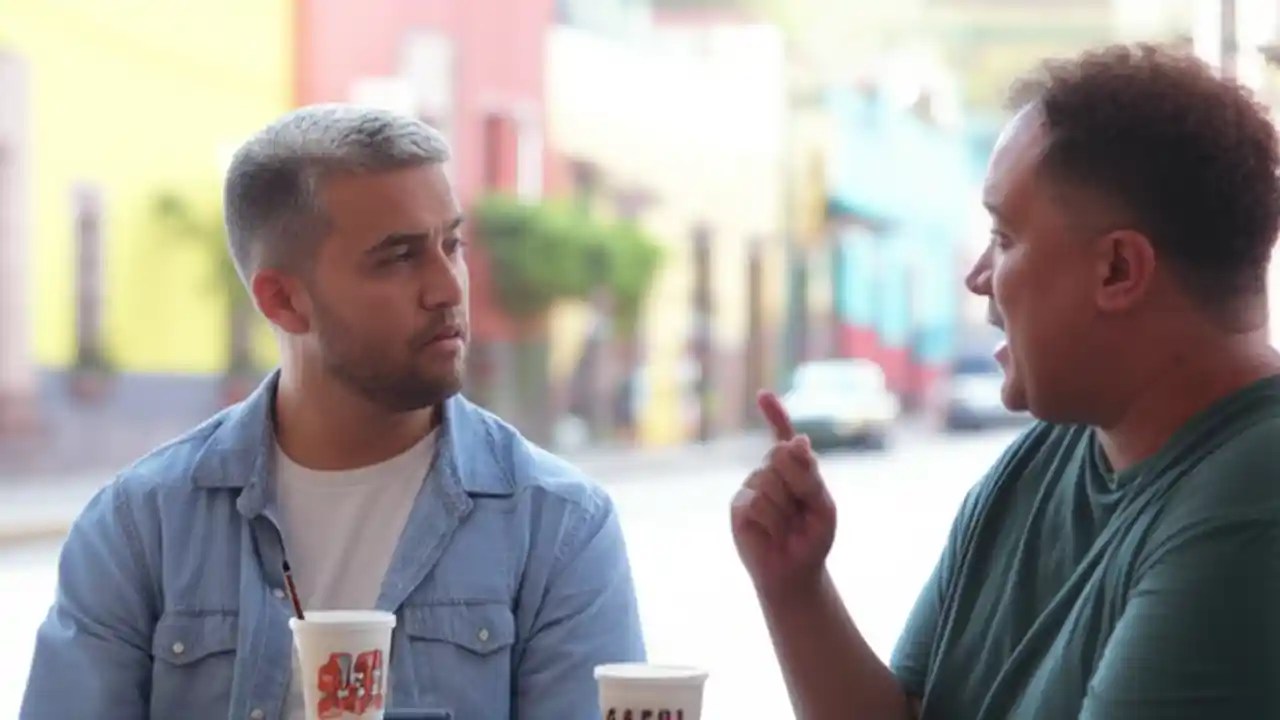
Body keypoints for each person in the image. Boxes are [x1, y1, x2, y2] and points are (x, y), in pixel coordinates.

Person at [21, 104, 646, 720]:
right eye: (399, 256)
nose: (449, 286)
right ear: (285, 300)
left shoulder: (557, 525)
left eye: (450, 244)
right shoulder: (142, 528)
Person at [732, 44, 1280, 720]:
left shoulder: (1254, 505)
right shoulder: (1046, 454)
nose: (977, 279)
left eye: (1005, 237)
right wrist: (795, 589)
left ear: (1117, 270)